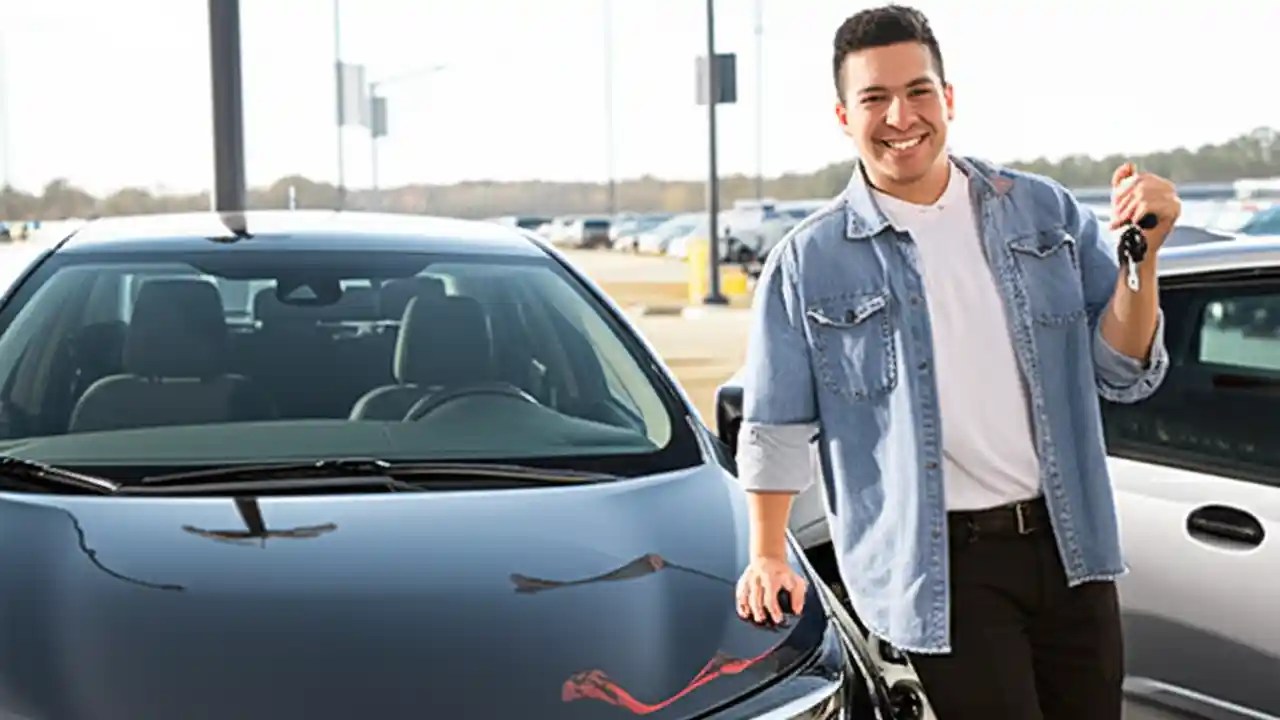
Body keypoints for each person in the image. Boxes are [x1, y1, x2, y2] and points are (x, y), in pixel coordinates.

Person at [731, 5, 1179, 719]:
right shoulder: (808, 262)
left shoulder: (1044, 213)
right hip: (947, 566)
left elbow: (1122, 370)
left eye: (917, 91)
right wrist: (767, 554)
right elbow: (777, 425)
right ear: (844, 116)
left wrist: (1144, 259)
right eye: (874, 98)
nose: (900, 115)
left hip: (1074, 544)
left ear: (949, 99)